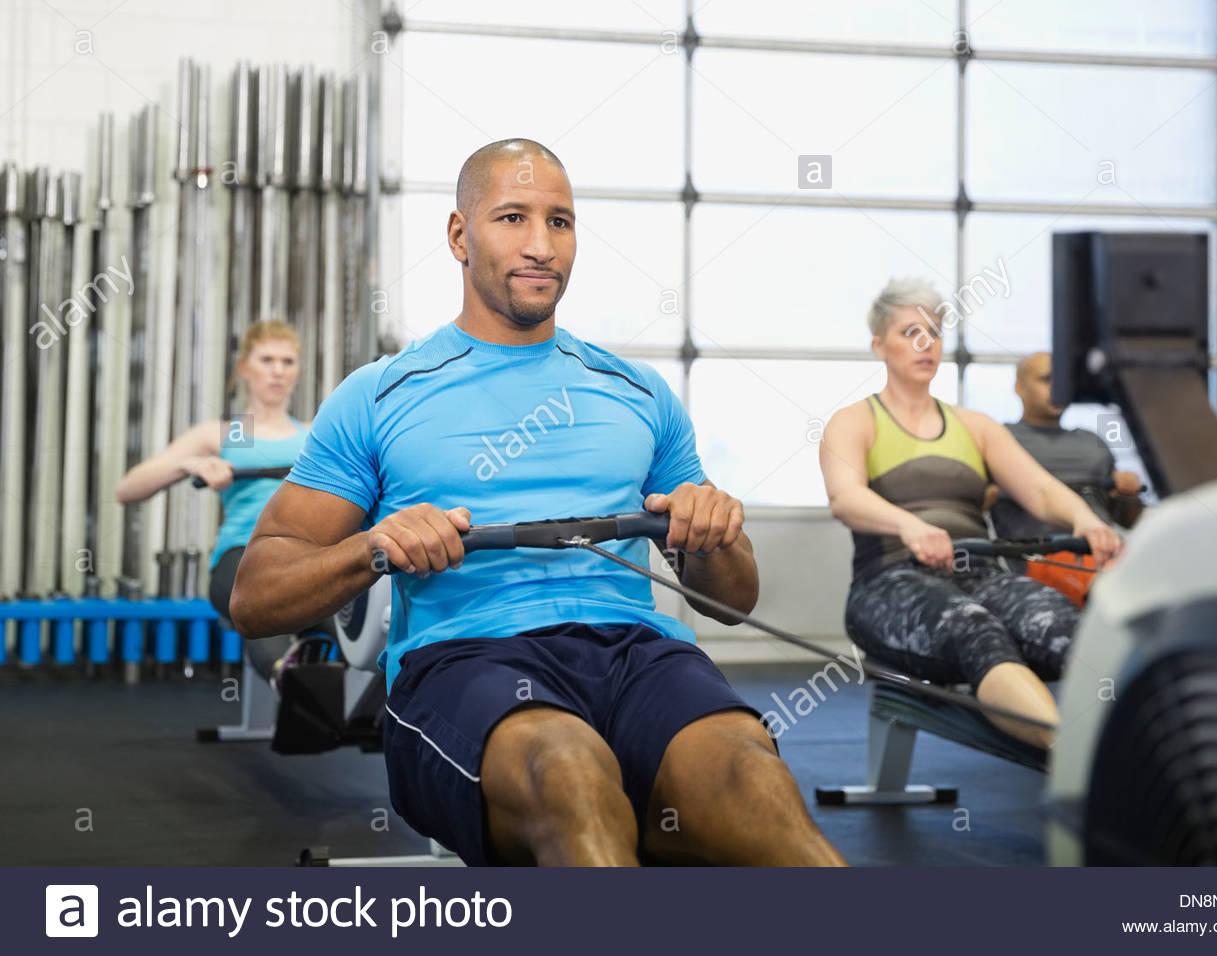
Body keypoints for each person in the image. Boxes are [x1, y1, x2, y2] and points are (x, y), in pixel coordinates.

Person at [230, 138, 845, 867]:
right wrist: (376, 545)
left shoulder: (638, 393)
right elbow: (256, 596)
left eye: (560, 222)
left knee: (755, 782)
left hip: (637, 656)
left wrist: (716, 533)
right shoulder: (377, 395)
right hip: (467, 658)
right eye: (513, 218)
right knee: (569, 775)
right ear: (460, 236)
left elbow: (731, 603)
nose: (541, 246)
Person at [818, 279, 1124, 750]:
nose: (926, 344)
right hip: (889, 583)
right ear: (879, 345)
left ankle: (1145, 755)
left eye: (934, 333)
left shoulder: (975, 426)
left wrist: (1086, 520)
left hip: (979, 573)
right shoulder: (854, 421)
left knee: (1069, 627)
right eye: (909, 333)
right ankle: (1075, 762)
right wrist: (911, 526)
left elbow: (1041, 491)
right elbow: (845, 497)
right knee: (974, 628)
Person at [115, 319, 316, 675]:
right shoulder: (234, 432)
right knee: (259, 596)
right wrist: (189, 465)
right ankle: (289, 674)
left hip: (304, 554)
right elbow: (127, 489)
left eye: (287, 362)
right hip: (242, 555)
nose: (278, 372)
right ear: (244, 368)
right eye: (266, 360)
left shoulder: (311, 433)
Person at [986, 351, 1144, 538]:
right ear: (1019, 388)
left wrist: (1128, 493)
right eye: (1046, 379)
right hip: (1033, 559)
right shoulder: (998, 439)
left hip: (1098, 555)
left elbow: (1130, 519)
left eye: (1062, 381)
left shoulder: (1092, 443)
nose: (1057, 389)